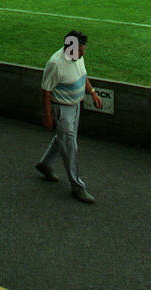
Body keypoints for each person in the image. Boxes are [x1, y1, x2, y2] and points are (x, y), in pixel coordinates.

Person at [34, 30, 103, 204]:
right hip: (62, 110)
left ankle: (45, 164)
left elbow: (83, 76)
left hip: (75, 106)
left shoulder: (78, 57)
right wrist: (48, 115)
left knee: (63, 139)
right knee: (70, 145)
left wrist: (92, 93)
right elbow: (46, 91)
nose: (83, 53)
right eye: (80, 50)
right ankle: (77, 187)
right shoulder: (55, 64)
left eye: (83, 49)